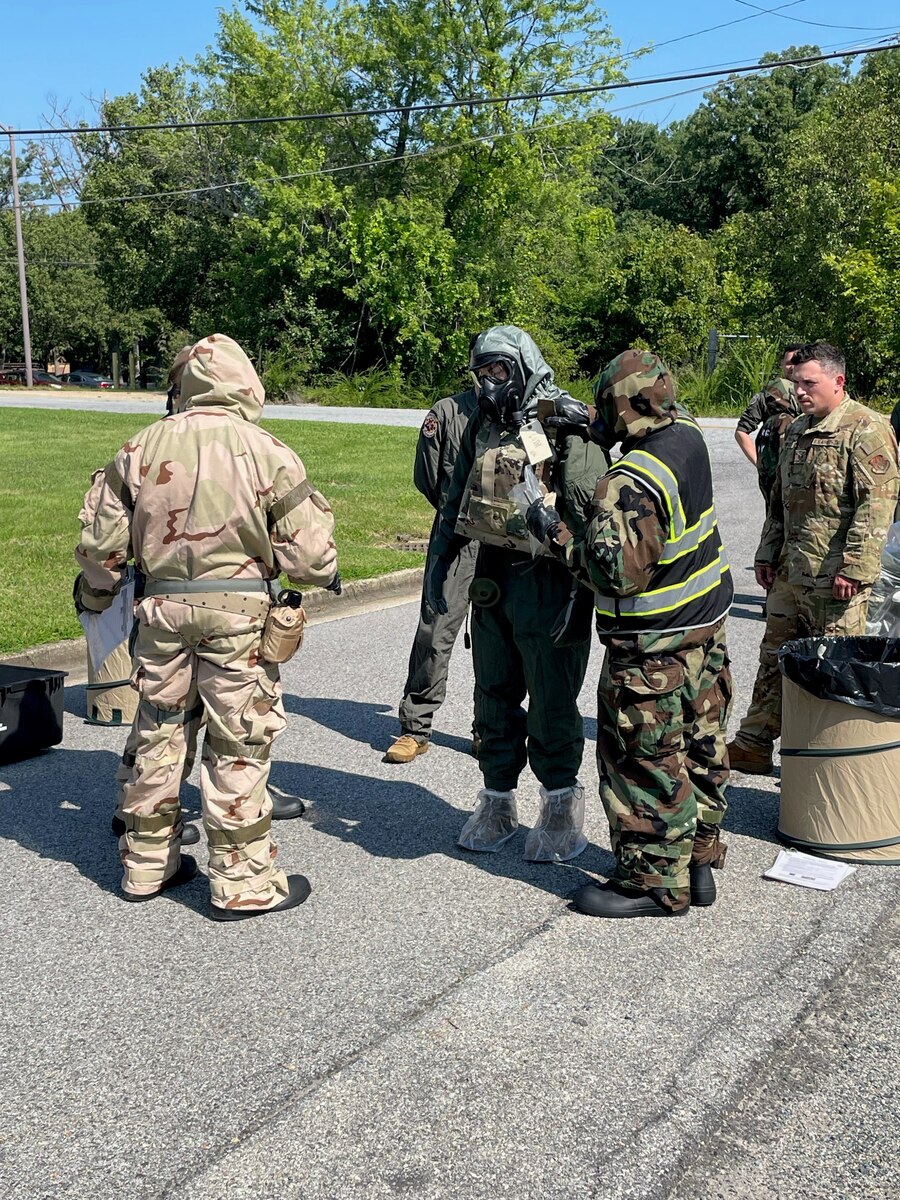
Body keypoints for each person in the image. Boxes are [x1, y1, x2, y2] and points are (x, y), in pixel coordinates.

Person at [74, 334, 340, 919]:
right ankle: (242, 883)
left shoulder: (138, 448)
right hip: (239, 617)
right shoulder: (268, 452)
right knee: (238, 740)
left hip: (161, 613)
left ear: (186, 386)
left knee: (159, 730)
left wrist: (96, 597)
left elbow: (100, 549)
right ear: (245, 385)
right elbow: (310, 561)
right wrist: (320, 571)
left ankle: (146, 866)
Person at [525, 349, 734, 918]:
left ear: (620, 409)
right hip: (703, 631)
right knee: (699, 746)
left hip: (650, 647)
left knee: (644, 759)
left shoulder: (629, 481)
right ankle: (696, 863)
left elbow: (614, 572)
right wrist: (591, 423)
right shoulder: (688, 436)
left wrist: (556, 533)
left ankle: (653, 884)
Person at [426, 325, 609, 862]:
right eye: (482, 372)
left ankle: (559, 805)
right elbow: (455, 502)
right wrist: (439, 569)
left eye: (500, 370)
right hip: (493, 581)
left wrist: (574, 434)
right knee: (493, 694)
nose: (489, 383)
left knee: (552, 700)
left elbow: (589, 511)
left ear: (524, 368)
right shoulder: (481, 425)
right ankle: (497, 799)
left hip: (550, 582)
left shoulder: (565, 422)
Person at [728, 341, 900, 775]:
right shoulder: (797, 430)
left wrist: (855, 568)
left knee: (833, 670)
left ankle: (827, 760)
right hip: (791, 571)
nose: (800, 391)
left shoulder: (866, 429)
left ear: (838, 381)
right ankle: (753, 743)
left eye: (809, 383)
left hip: (835, 579)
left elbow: (876, 505)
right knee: (774, 658)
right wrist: (767, 553)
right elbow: (779, 501)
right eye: (797, 383)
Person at [383, 381, 480, 763]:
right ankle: (415, 728)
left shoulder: (519, 414)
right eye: (484, 364)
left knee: (498, 640)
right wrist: (455, 512)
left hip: (508, 543)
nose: (492, 372)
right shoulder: (446, 413)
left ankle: (489, 730)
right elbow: (427, 478)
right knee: (435, 631)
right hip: (456, 535)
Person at [734, 344, 803, 491]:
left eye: (798, 362)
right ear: (781, 364)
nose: (793, 367)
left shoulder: (816, 394)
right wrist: (760, 464)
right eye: (789, 363)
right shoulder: (769, 394)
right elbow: (741, 432)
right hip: (776, 479)